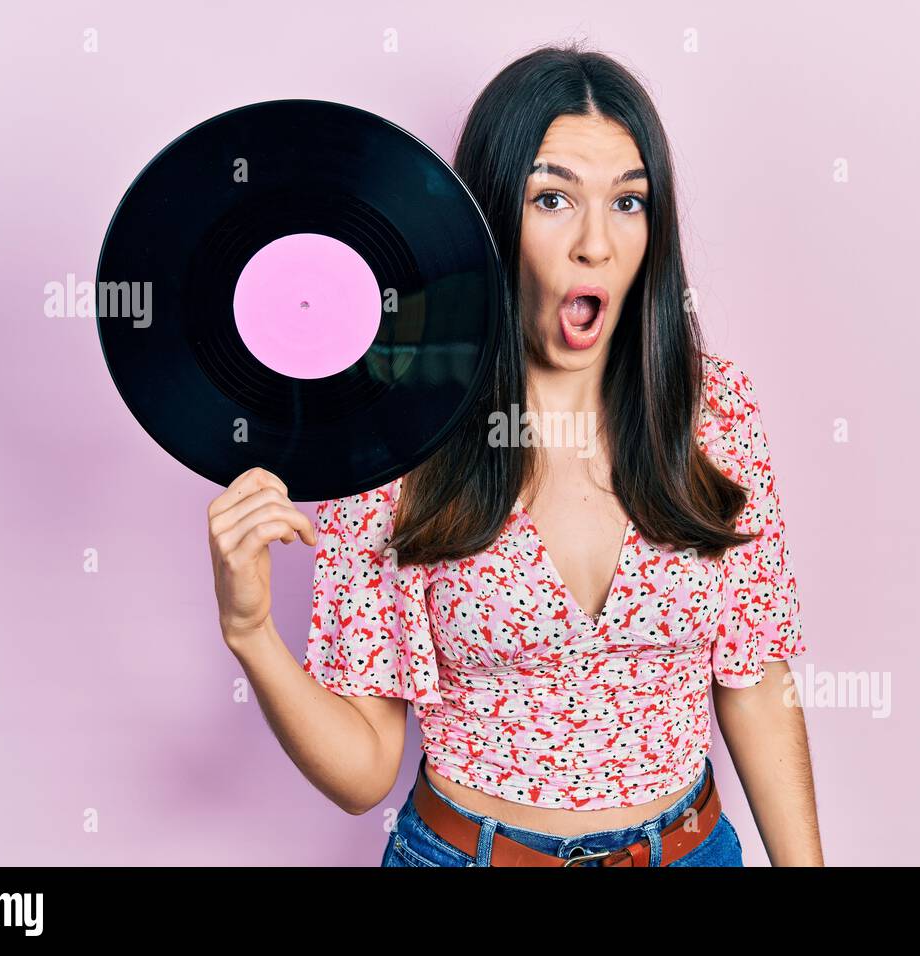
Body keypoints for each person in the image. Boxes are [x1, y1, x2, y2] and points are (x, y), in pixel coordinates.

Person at [208, 41, 823, 867]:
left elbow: (756, 684)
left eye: (628, 202)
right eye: (553, 199)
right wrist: (250, 631)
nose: (595, 244)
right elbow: (364, 771)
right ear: (492, 218)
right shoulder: (397, 439)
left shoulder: (717, 411)